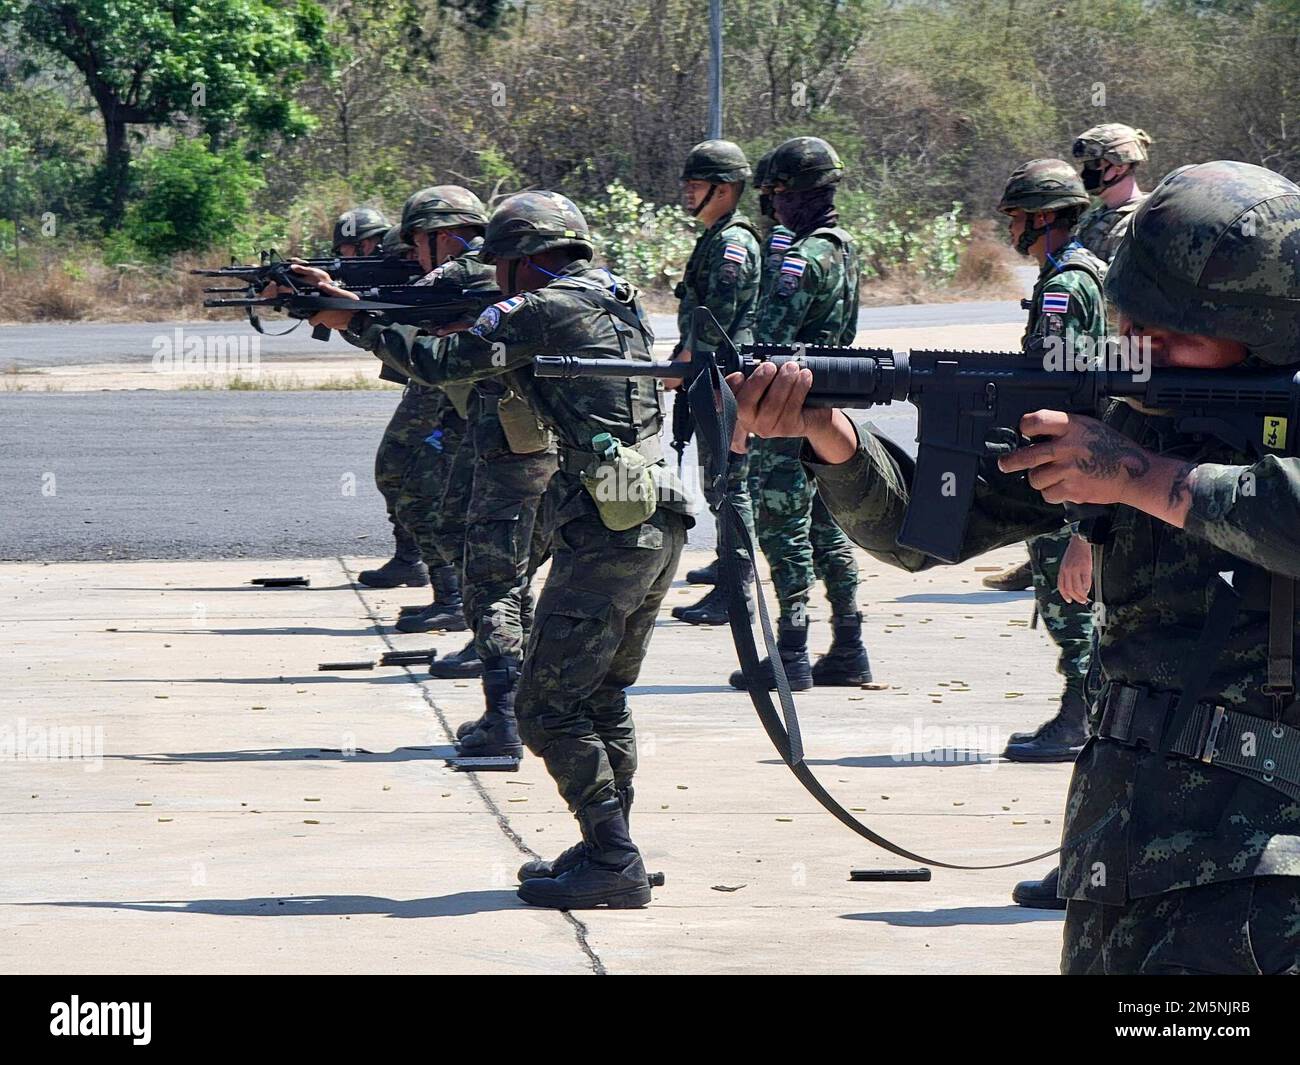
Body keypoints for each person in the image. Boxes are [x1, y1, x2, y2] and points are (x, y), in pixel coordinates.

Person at [730, 158, 1300, 974]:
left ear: (1271, 336)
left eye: (1180, 339)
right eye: (1135, 326)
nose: (1144, 354)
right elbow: (920, 531)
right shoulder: (1123, 401)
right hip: (1124, 849)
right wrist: (828, 433)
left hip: (1268, 870)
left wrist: (1139, 476)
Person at [310, 191, 692, 909]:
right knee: (598, 694)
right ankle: (610, 844)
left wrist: (352, 318)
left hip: (609, 526)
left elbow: (444, 361)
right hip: (652, 513)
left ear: (521, 263)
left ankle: (614, 859)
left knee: (544, 708)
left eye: (501, 268)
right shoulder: (614, 296)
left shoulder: (538, 308)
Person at [729, 136, 870, 692]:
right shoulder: (844, 247)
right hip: (829, 411)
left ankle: (791, 650)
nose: (772, 208)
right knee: (824, 526)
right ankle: (849, 642)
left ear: (794, 196)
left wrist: (743, 416)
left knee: (783, 527)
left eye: (775, 196)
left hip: (787, 408)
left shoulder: (800, 260)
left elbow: (768, 346)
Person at [994, 160, 1103, 765]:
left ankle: (1081, 711)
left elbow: (1065, 386)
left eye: (1016, 216)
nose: (1011, 228)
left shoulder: (1064, 286)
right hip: (1071, 458)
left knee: (1068, 593)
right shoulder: (1078, 274)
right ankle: (1084, 705)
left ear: (1042, 217)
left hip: (1070, 461)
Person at [667, 139, 762, 626]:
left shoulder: (732, 243)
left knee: (728, 482)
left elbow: (717, 318)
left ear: (724, 190)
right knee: (719, 481)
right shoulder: (716, 235)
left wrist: (680, 363)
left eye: (697, 185)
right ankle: (730, 565)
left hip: (724, 374)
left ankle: (735, 587)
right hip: (710, 371)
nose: (688, 193)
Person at [1071, 122, 1152, 263]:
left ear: (1120, 166)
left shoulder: (1143, 221)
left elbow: (1121, 282)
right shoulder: (1091, 219)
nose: (1085, 173)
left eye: (1093, 164)